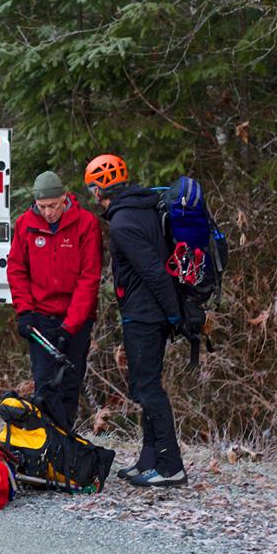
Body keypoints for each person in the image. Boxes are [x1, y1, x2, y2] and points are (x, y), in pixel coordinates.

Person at [84, 154, 188, 487]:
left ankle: (171, 466)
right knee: (145, 386)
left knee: (148, 389)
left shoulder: (123, 222)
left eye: (91, 189)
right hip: (150, 312)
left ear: (99, 189)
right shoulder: (144, 207)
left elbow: (154, 271)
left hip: (145, 315)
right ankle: (148, 459)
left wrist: (174, 314)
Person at [6, 170, 102, 429]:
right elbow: (16, 270)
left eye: (53, 206)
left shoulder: (86, 223)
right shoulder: (25, 224)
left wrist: (70, 325)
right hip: (41, 318)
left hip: (75, 319)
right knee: (44, 383)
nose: (48, 212)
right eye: (42, 207)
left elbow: (89, 277)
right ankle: (43, 439)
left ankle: (64, 438)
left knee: (70, 383)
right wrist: (24, 312)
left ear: (64, 198)